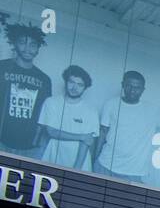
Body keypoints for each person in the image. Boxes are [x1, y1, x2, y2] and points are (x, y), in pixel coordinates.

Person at [94, 71, 160, 186]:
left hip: (134, 172)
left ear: (143, 89)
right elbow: (103, 132)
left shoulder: (153, 110)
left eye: (137, 87)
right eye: (129, 86)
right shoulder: (111, 104)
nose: (132, 90)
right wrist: (94, 159)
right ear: (123, 84)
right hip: (105, 165)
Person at [0, 19, 52, 158]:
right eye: (23, 42)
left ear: (38, 49)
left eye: (33, 45)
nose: (27, 49)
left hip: (29, 147)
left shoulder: (44, 80)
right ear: (14, 43)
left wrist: (39, 141)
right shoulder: (1, 68)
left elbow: (46, 114)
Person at [38, 65, 98, 170]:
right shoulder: (51, 102)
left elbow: (87, 142)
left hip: (79, 165)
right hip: (52, 159)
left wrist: (76, 169)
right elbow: (51, 132)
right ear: (65, 82)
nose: (74, 88)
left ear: (85, 87)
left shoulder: (91, 110)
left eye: (80, 85)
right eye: (71, 82)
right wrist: (81, 136)